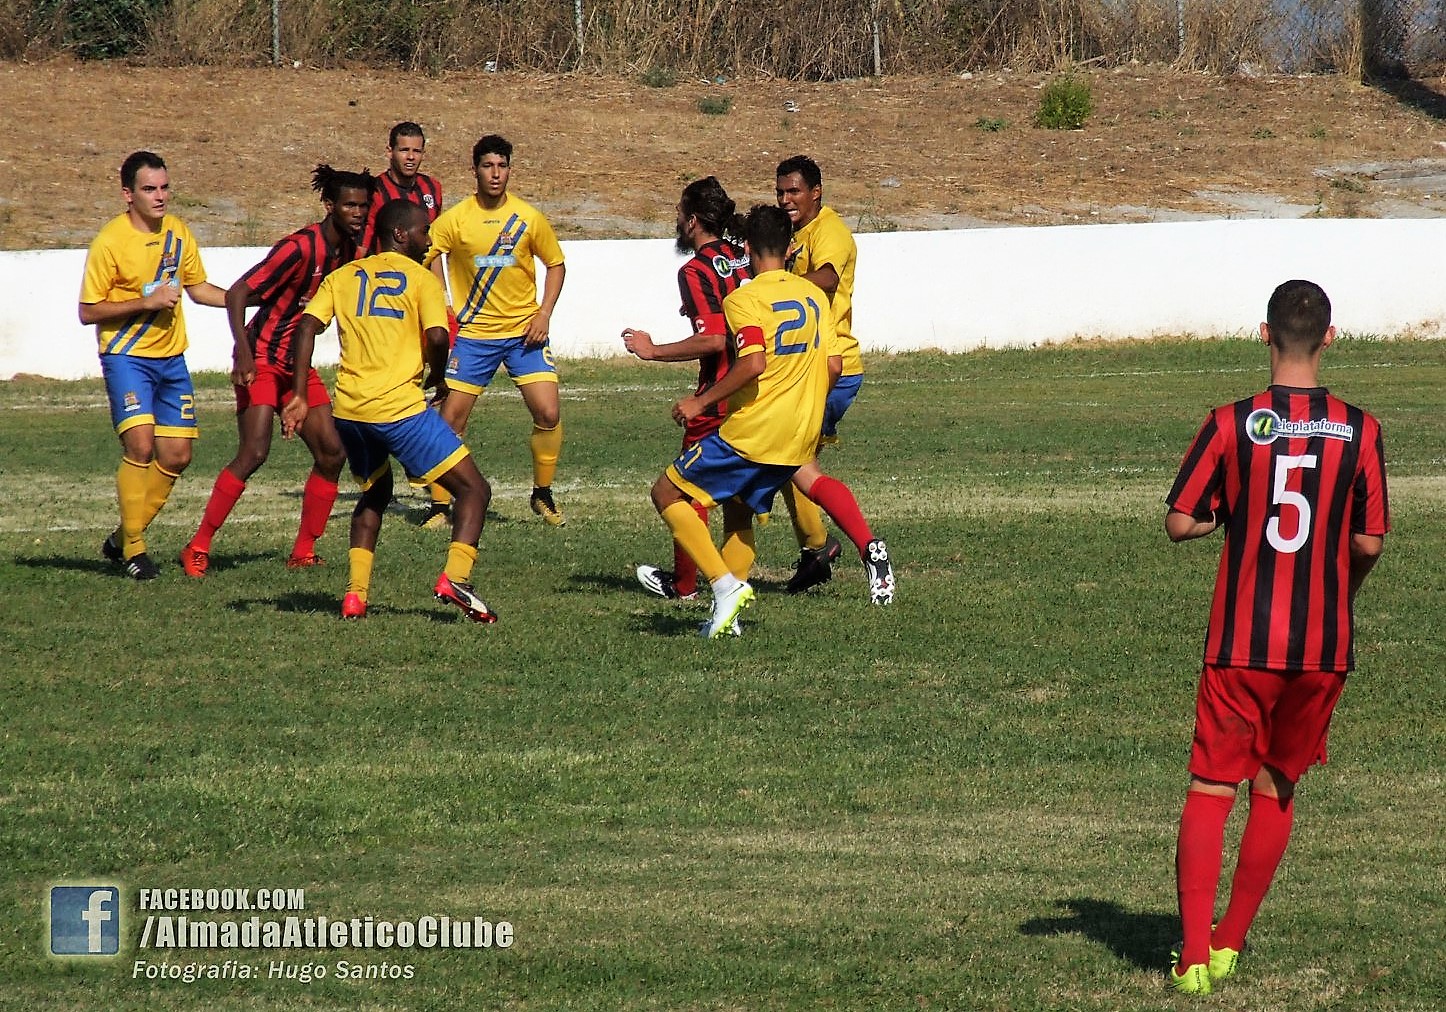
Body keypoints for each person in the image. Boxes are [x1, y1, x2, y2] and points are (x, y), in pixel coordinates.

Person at [1164, 280, 1389, 995]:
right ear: (1329, 337)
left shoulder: (1233, 422)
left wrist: (1224, 516)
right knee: (1276, 786)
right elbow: (1370, 541)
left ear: (1263, 334)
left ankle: (1194, 960)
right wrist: (1343, 592)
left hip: (1241, 642)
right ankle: (1230, 942)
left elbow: (1180, 522)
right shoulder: (1361, 429)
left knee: (1210, 786)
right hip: (1322, 646)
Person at [650, 205, 894, 639]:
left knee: (667, 492)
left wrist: (699, 402)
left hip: (753, 432)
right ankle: (729, 616)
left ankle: (723, 586)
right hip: (798, 433)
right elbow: (834, 365)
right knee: (740, 514)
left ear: (746, 248)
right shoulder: (816, 297)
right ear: (790, 247)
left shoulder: (744, 299)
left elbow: (753, 362)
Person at [282, 199, 496, 623]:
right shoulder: (421, 278)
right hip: (397, 410)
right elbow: (437, 335)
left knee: (375, 494)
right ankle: (457, 578)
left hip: (349, 413)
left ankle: (355, 597)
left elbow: (305, 325)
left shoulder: (342, 277)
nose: (429, 239)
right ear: (400, 234)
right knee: (474, 490)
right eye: (423, 231)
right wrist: (438, 377)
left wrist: (299, 393)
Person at [180, 165, 375, 577]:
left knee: (332, 452)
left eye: (363, 205)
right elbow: (237, 293)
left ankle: (303, 551)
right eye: (350, 205)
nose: (358, 212)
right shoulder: (300, 247)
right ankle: (197, 546)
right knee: (254, 452)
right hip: (262, 358)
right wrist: (243, 353)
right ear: (329, 205)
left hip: (297, 364)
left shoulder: (354, 251)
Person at [80, 150, 228, 580]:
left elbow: (199, 289)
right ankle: (136, 551)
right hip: (127, 357)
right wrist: (145, 302)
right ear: (128, 194)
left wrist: (250, 296)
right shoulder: (110, 241)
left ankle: (123, 535)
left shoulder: (178, 232)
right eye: (149, 189)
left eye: (164, 187)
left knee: (177, 455)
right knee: (140, 446)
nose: (160, 196)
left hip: (171, 357)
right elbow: (88, 310)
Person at [422, 134, 568, 527]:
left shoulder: (528, 217)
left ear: (509, 169)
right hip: (474, 336)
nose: (495, 173)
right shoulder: (454, 219)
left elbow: (556, 264)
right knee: (449, 420)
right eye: (488, 166)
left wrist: (544, 315)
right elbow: (428, 254)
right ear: (475, 170)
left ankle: (542, 494)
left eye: (502, 166)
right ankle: (439, 505)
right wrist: (443, 302)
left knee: (548, 412)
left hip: (525, 333)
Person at [623, 176, 752, 601]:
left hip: (717, 392)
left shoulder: (694, 270)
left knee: (682, 488)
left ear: (693, 221)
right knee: (741, 493)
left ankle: (687, 585)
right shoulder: (740, 255)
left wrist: (652, 350)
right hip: (757, 388)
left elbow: (714, 338)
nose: (677, 221)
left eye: (679, 214)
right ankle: (742, 576)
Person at [774, 154, 866, 593]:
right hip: (806, 367)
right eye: (780, 192)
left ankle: (830, 546)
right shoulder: (794, 231)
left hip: (835, 367)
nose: (786, 199)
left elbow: (827, 279)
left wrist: (775, 287)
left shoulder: (831, 231)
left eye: (794, 191)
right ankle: (815, 550)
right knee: (791, 460)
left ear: (816, 193)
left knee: (791, 458)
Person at [358, 121, 442, 255]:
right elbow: (362, 245)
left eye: (417, 151)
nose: (411, 157)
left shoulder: (432, 187)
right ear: (390, 152)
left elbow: (435, 237)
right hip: (385, 270)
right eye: (404, 150)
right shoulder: (374, 191)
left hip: (421, 271)